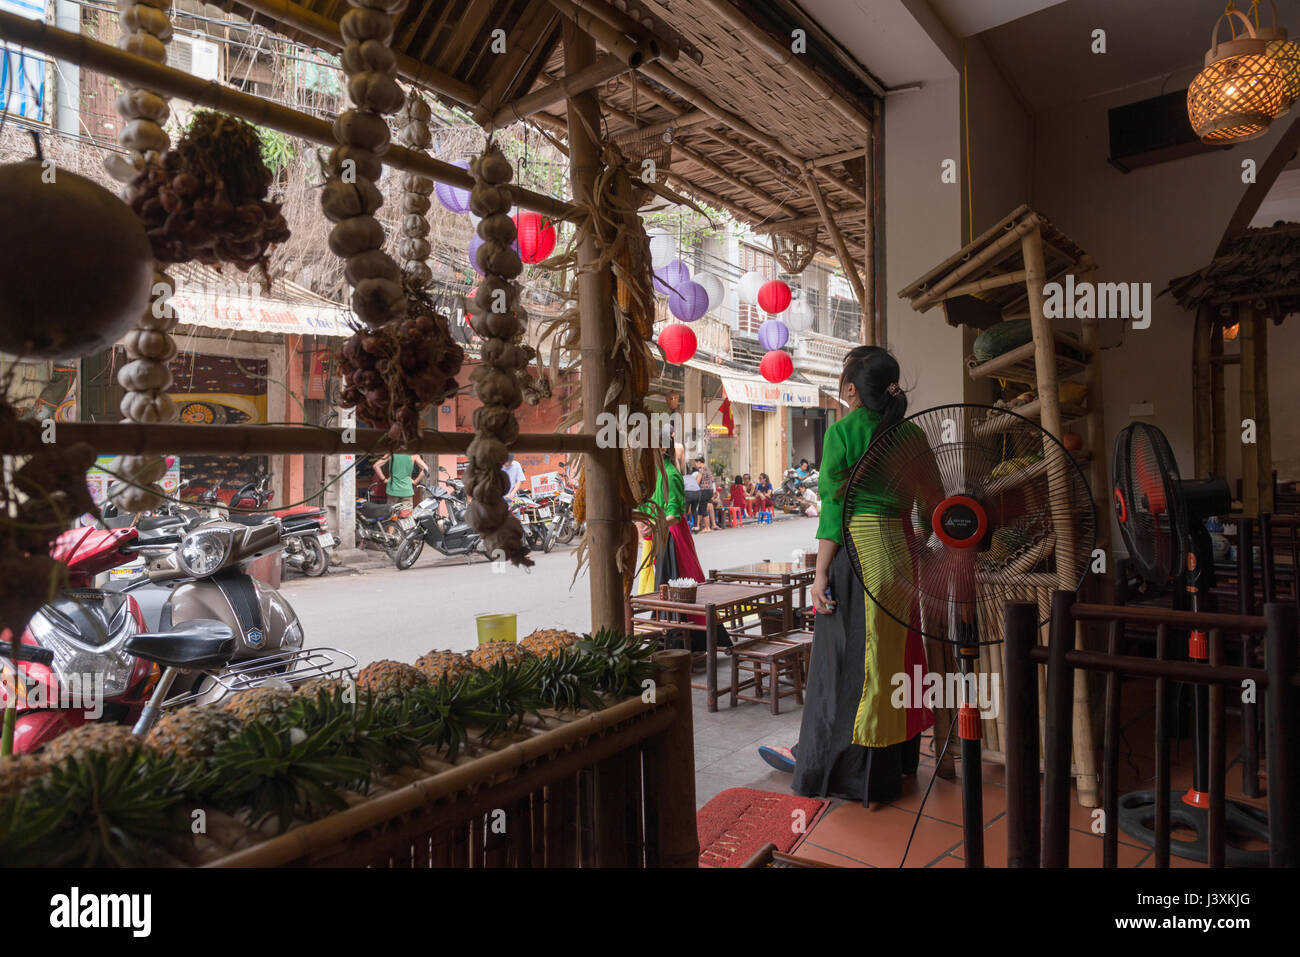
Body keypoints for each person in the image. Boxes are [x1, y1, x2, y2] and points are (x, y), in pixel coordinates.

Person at [758, 346, 935, 806]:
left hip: (858, 558)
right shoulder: (913, 436)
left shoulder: (843, 432)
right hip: (903, 558)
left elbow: (834, 514)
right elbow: (933, 509)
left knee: (846, 666)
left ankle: (837, 770)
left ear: (852, 389)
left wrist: (819, 575)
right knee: (894, 658)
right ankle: (898, 764)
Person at [694, 457, 720, 531]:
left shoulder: (701, 470)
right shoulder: (708, 469)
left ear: (699, 462)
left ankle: (707, 527)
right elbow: (712, 480)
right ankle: (698, 526)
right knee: (701, 508)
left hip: (703, 491)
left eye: (696, 463)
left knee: (703, 508)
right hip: (710, 491)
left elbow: (697, 482)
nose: (696, 465)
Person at [682, 464, 702, 530]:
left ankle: (685, 526)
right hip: (697, 492)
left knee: (685, 510)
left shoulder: (682, 477)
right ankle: (696, 526)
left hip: (688, 492)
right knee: (694, 510)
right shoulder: (692, 477)